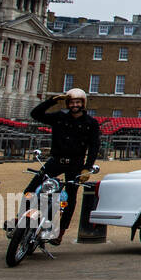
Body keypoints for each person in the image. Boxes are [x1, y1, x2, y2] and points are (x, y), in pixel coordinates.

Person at [26, 88, 101, 244]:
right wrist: (52, 100)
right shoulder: (59, 117)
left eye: (78, 102)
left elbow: (94, 147)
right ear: (68, 103)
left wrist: (87, 167)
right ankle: (22, 217)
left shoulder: (91, 123)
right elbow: (35, 114)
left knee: (71, 198)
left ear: (83, 104)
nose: (75, 105)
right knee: (31, 189)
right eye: (72, 102)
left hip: (75, 164)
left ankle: (60, 231)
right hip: (56, 160)